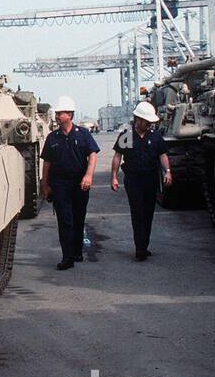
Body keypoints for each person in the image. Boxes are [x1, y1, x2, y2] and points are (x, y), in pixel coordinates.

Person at [42, 96, 99, 270]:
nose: (57, 116)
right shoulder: (52, 137)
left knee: (78, 218)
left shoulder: (83, 134)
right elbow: (46, 163)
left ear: (70, 115)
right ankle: (67, 257)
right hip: (60, 185)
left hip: (80, 184)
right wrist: (45, 185)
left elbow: (93, 155)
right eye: (57, 113)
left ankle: (77, 251)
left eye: (60, 113)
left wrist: (88, 176)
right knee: (65, 220)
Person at [110, 100, 171, 261]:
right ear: (139, 119)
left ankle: (144, 245)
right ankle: (140, 248)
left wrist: (168, 172)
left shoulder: (155, 137)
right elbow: (118, 156)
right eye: (147, 121)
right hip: (133, 180)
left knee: (148, 212)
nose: (149, 124)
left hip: (150, 179)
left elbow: (162, 155)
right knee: (137, 212)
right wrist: (114, 177)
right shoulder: (127, 136)